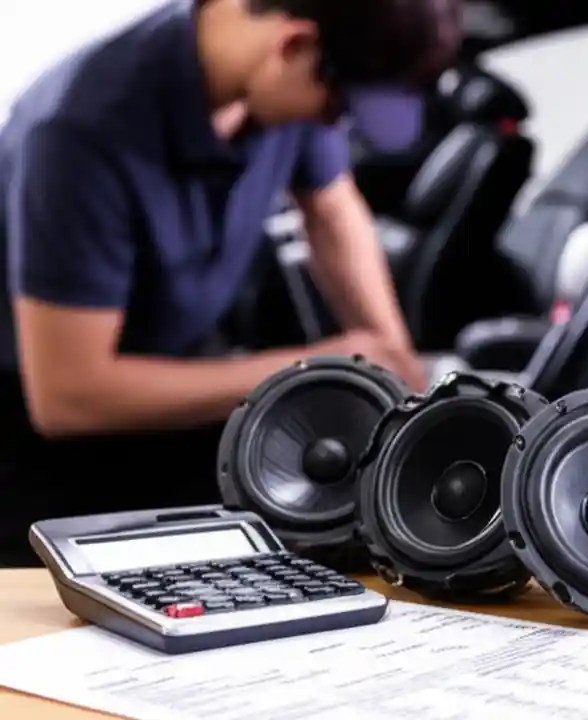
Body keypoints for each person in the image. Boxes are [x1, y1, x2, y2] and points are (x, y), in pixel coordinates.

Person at [0, 0, 462, 566]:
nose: (331, 125)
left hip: (178, 380)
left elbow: (334, 210)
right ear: (291, 45)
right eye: (335, 109)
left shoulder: (287, 80)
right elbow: (67, 396)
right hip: (47, 441)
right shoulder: (79, 130)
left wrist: (397, 365)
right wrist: (320, 363)